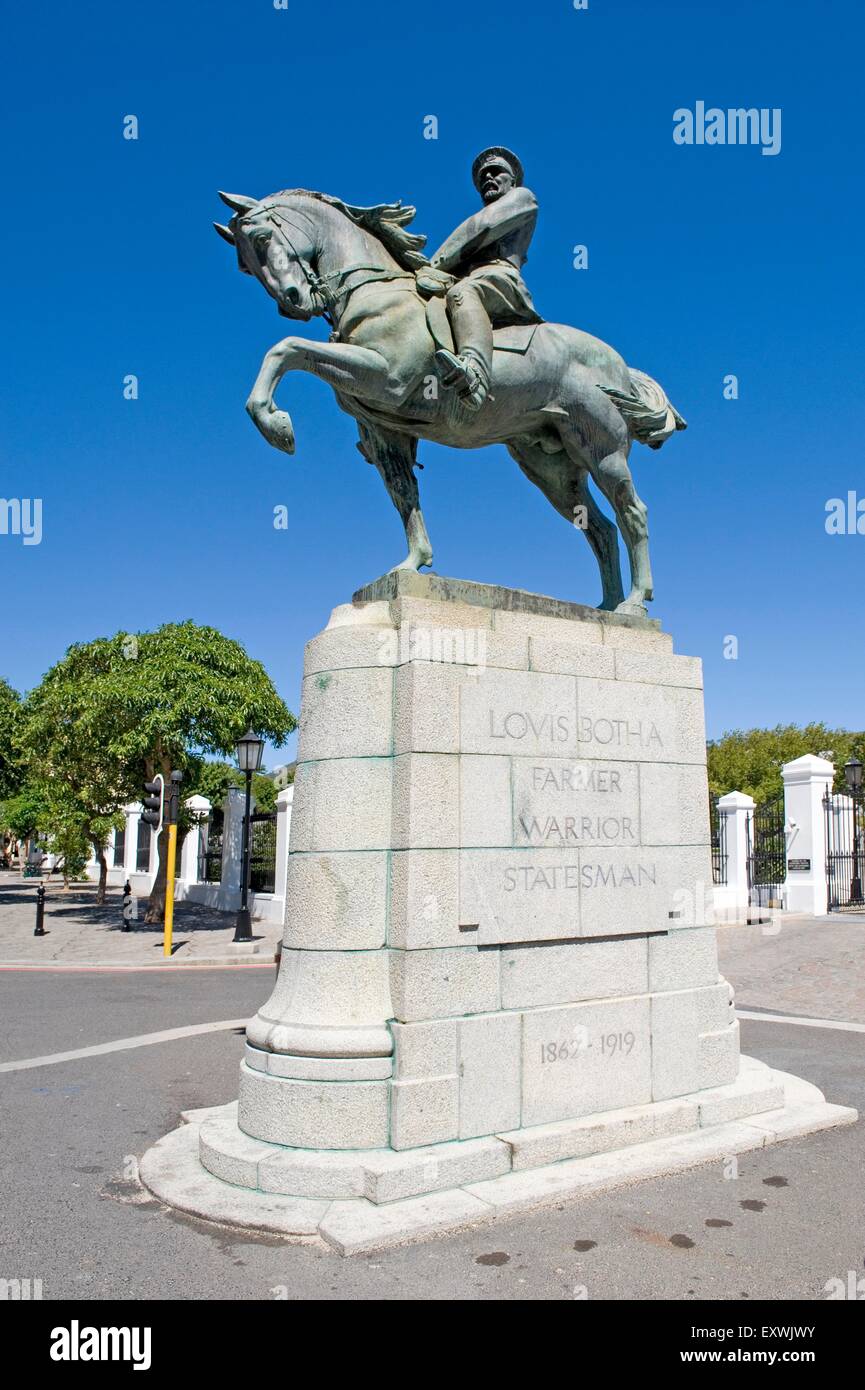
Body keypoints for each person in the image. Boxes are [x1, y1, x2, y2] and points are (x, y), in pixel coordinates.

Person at [428, 147, 541, 410]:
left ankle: (474, 376)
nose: (488, 177)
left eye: (496, 172)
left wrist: (433, 265)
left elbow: (482, 228)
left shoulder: (523, 197)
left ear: (512, 181)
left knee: (462, 294)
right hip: (464, 278)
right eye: (483, 176)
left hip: (498, 278)